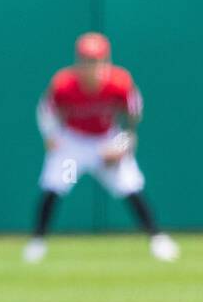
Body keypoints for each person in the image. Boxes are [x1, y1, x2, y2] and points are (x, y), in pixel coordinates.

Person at [24, 32, 179, 264]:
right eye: (87, 61)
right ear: (78, 62)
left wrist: (124, 144)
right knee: (54, 184)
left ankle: (157, 238)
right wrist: (51, 135)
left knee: (130, 185)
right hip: (73, 142)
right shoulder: (64, 84)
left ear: (106, 61)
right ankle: (37, 241)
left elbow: (133, 118)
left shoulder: (120, 82)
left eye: (97, 60)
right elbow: (46, 110)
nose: (92, 66)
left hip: (107, 139)